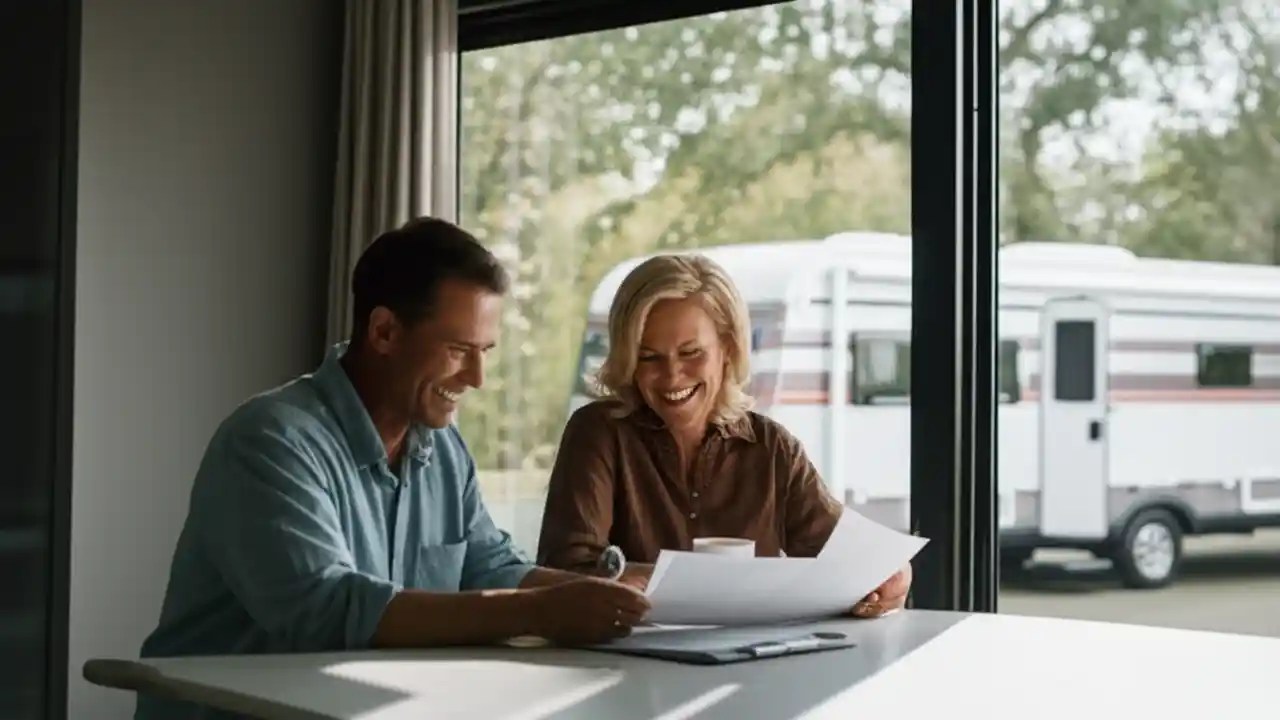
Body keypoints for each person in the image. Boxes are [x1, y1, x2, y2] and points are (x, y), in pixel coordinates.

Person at [137, 218, 649, 719]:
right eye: (458, 351)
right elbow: (326, 610)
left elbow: (488, 568)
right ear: (384, 332)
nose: (477, 378)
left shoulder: (443, 447)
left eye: (485, 352)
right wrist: (541, 612)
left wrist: (605, 601)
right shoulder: (270, 441)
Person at [536, 253, 911, 617]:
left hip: (751, 669)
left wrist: (891, 575)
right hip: (628, 665)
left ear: (728, 349)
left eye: (691, 352)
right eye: (649, 357)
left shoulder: (771, 447)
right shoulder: (598, 433)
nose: (671, 376)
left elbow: (850, 556)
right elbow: (562, 574)